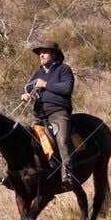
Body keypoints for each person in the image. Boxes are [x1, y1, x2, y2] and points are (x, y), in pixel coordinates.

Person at [20, 41, 76, 186]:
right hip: (39, 114)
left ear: (54, 54)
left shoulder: (64, 69)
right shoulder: (38, 72)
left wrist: (45, 84)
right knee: (25, 139)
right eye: (40, 53)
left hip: (58, 112)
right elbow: (28, 87)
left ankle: (67, 175)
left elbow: (66, 88)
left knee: (62, 140)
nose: (41, 55)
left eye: (44, 52)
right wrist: (26, 95)